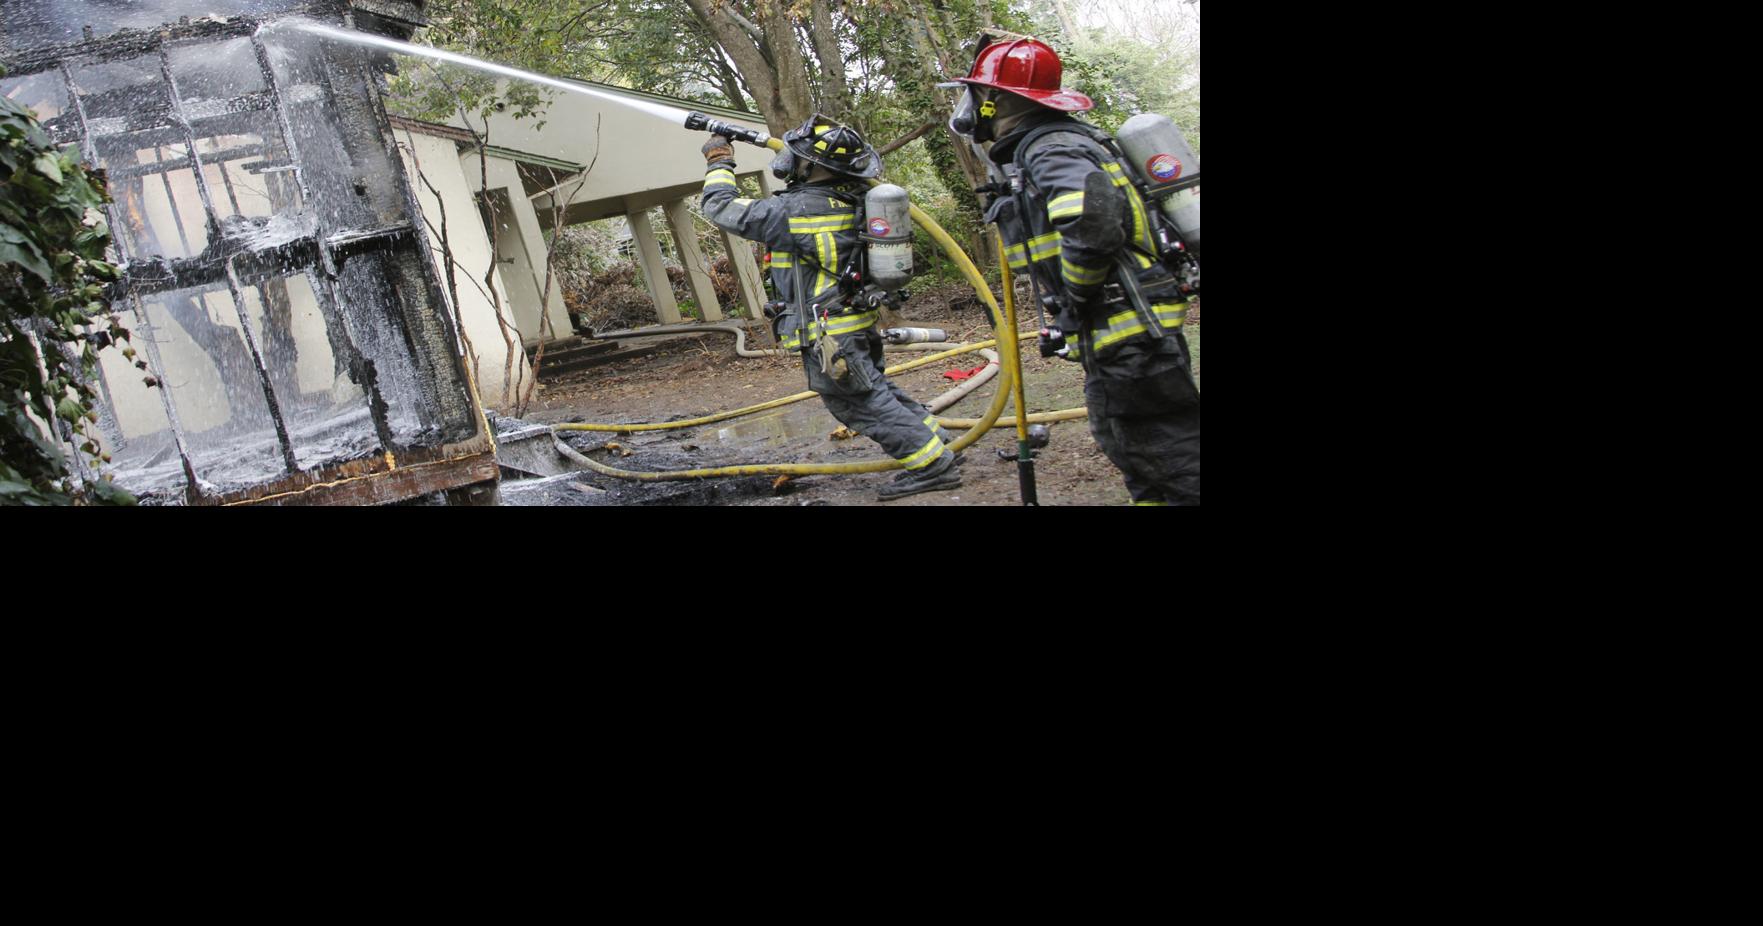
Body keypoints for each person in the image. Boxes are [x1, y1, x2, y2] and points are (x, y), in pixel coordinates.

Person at [948, 36, 1200, 506]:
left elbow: (1092, 226)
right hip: (1120, 330)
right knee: (1132, 448)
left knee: (1170, 455)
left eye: (978, 93)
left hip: (1125, 329)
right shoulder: (1052, 143)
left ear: (995, 99)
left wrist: (1076, 300)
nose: (972, 105)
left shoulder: (1050, 149)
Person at [698, 114, 962, 501]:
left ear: (810, 165)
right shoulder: (854, 199)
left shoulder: (794, 210)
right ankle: (939, 445)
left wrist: (719, 161)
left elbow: (720, 207)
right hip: (855, 321)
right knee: (874, 389)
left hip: (830, 332)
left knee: (856, 402)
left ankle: (932, 464)